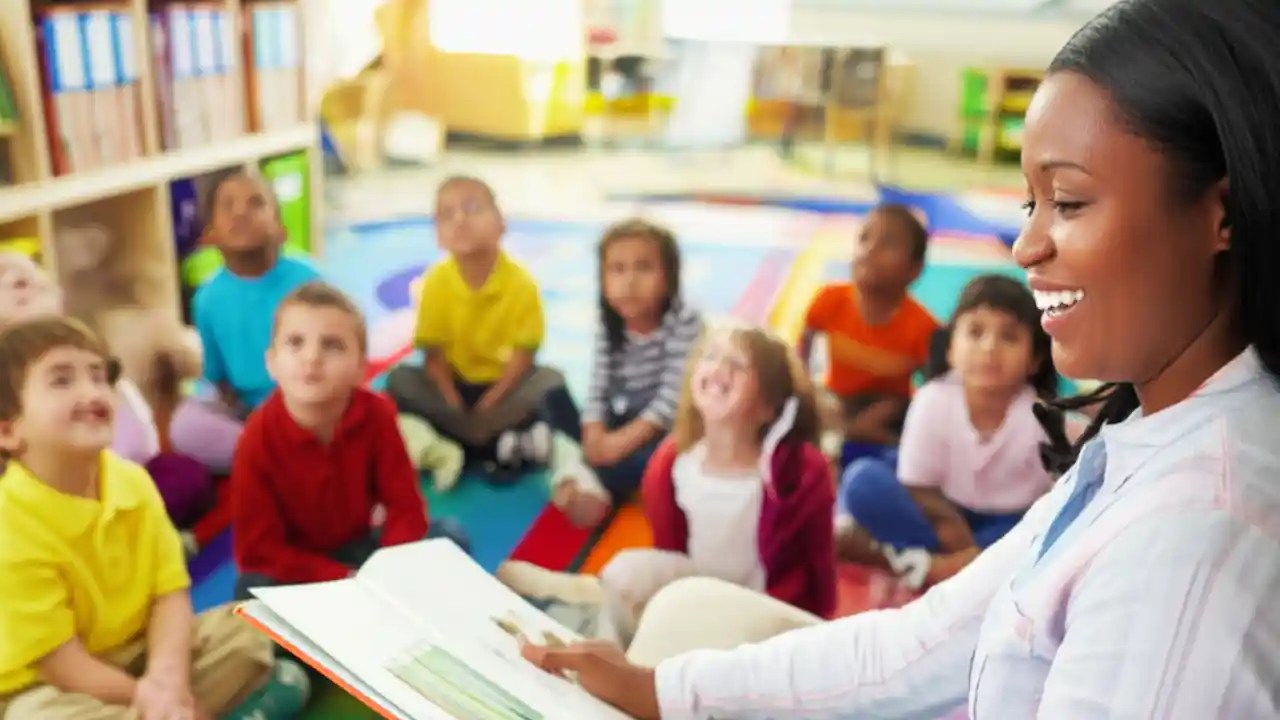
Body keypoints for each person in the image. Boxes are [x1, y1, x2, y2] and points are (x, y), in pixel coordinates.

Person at [519, 1, 1280, 716]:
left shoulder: (1194, 542)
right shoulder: (1152, 428)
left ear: (1221, 216)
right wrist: (662, 692)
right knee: (683, 615)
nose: (1027, 246)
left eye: (1070, 203)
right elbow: (928, 639)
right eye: (1030, 203)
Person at [0, 317, 309, 720]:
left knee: (248, 633)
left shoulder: (131, 482)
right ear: (8, 433)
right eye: (62, 381)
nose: (92, 392)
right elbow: (62, 662)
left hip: (143, 653)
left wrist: (168, 680)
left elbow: (169, 594)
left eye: (98, 376)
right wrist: (155, 701)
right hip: (54, 684)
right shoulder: (12, 526)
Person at [502, 324, 834, 645]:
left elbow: (817, 566)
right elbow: (669, 545)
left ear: (769, 408)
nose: (719, 368)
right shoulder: (676, 462)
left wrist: (811, 630)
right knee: (623, 572)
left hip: (758, 605)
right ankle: (611, 647)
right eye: (711, 356)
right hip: (696, 583)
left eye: (737, 364)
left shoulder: (796, 473)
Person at [231, 282, 468, 600]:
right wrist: (342, 578)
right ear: (272, 362)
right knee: (250, 592)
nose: (312, 357)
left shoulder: (377, 414)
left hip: (362, 550)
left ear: (361, 368)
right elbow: (259, 550)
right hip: (297, 570)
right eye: (295, 343)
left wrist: (388, 570)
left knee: (450, 537)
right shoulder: (255, 439)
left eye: (332, 345)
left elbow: (405, 507)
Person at [837, 274, 1060, 588]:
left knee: (1038, 534)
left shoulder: (1042, 419)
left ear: (1035, 359)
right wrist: (949, 526)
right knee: (861, 480)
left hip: (1002, 522)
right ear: (951, 348)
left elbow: (1051, 501)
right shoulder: (933, 400)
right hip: (934, 509)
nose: (989, 348)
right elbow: (916, 485)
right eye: (975, 332)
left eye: (1009, 337)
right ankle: (964, 563)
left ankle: (920, 560)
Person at [0, 251, 216, 531]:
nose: (21, 277)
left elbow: (134, 431)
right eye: (5, 276)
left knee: (183, 475)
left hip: (118, 473)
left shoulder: (85, 346)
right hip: (45, 501)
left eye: (34, 275)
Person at [386, 176, 579, 478]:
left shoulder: (521, 284)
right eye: (447, 215)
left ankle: (464, 442)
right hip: (455, 389)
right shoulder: (435, 283)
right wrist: (453, 404)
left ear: (501, 223)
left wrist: (489, 404)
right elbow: (433, 358)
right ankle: (496, 444)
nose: (460, 220)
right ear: (438, 235)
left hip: (505, 390)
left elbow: (522, 359)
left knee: (550, 380)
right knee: (399, 379)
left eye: (472, 208)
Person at [551, 219, 703, 528]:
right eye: (617, 270)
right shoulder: (610, 322)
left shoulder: (684, 320)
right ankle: (589, 473)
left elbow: (672, 398)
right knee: (549, 394)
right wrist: (595, 434)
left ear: (669, 279)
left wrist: (616, 445)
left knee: (680, 454)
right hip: (621, 415)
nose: (629, 281)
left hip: (664, 427)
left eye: (644, 268)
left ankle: (593, 476)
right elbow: (598, 386)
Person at [187, 170, 321, 435]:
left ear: (282, 231)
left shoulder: (311, 283)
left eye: (256, 203)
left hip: (311, 403)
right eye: (227, 206)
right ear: (209, 235)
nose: (240, 213)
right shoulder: (208, 299)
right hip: (250, 417)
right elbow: (217, 379)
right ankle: (266, 452)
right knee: (186, 425)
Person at [798, 203, 939, 447]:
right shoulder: (830, 300)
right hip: (836, 403)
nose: (870, 250)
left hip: (889, 411)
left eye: (889, 244)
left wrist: (885, 415)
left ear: (914, 270)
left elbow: (934, 393)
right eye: (864, 238)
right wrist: (807, 394)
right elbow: (802, 353)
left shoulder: (924, 329)